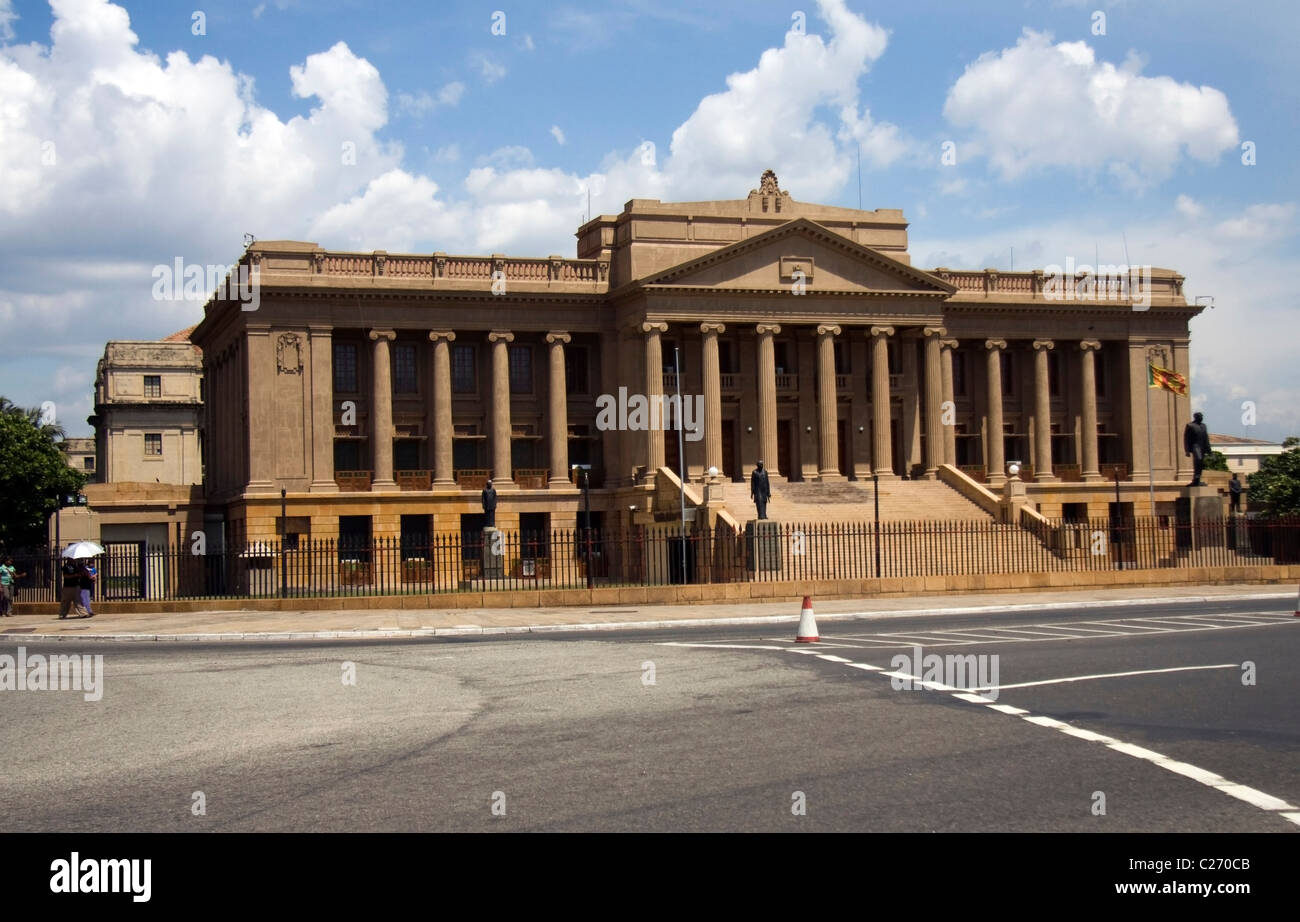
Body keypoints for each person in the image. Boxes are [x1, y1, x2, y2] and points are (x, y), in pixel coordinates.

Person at [58, 553, 90, 619]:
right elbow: (66, 576)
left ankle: (83, 613)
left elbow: (81, 574)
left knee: (78, 600)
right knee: (65, 601)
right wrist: (74, 575)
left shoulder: (76, 566)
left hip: (76, 586)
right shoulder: (66, 566)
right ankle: (62, 614)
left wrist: (81, 573)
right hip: (67, 586)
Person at [1183, 411, 1211, 487]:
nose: (1202, 418)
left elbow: (1206, 438)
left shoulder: (1204, 426)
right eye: (1200, 417)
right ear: (1196, 417)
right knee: (1198, 460)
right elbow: (1186, 439)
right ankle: (1196, 478)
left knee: (1201, 463)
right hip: (1195, 446)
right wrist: (1187, 450)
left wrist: (1209, 450)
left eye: (1202, 417)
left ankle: (1197, 480)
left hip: (1202, 447)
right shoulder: (1190, 425)